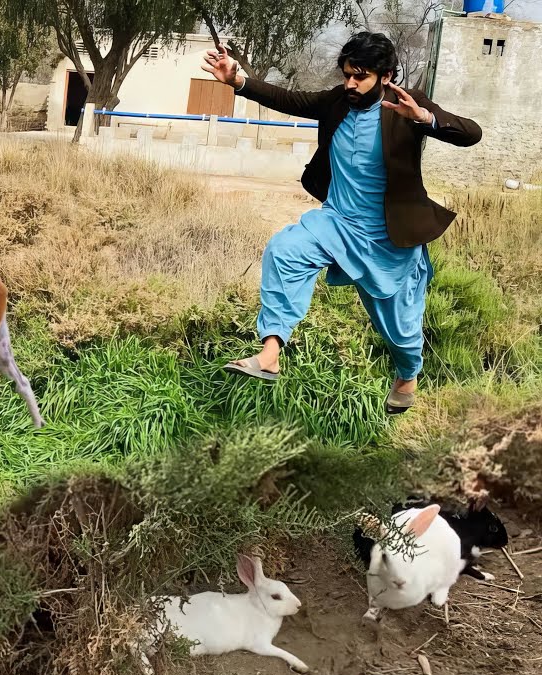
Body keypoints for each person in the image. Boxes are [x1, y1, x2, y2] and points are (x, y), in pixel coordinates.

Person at [202, 32, 482, 414]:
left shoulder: (406, 105)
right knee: (284, 250)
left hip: (389, 237)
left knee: (400, 329)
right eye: (347, 74)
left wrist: (426, 118)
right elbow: (289, 99)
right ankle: (270, 354)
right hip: (337, 221)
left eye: (360, 76)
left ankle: (407, 374)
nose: (350, 83)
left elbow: (471, 134)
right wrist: (238, 80)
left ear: (386, 76)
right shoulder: (337, 101)